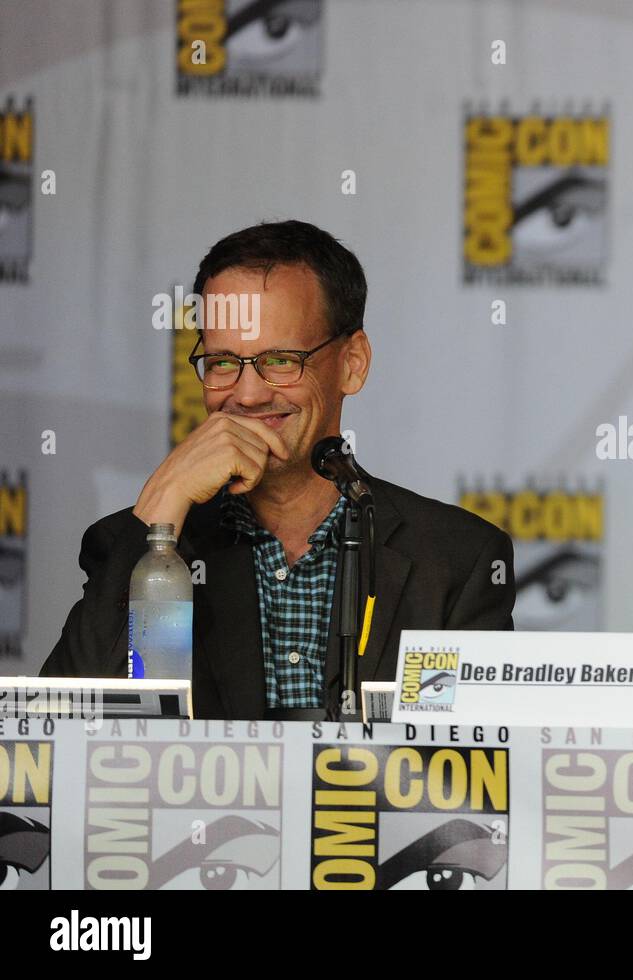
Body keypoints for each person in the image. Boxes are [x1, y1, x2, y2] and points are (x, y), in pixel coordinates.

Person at [43, 220, 515, 718]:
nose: (247, 394)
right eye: (223, 362)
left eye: (281, 360)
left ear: (352, 363)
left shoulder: (457, 560)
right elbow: (56, 739)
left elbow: (475, 777)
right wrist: (163, 501)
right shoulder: (135, 544)